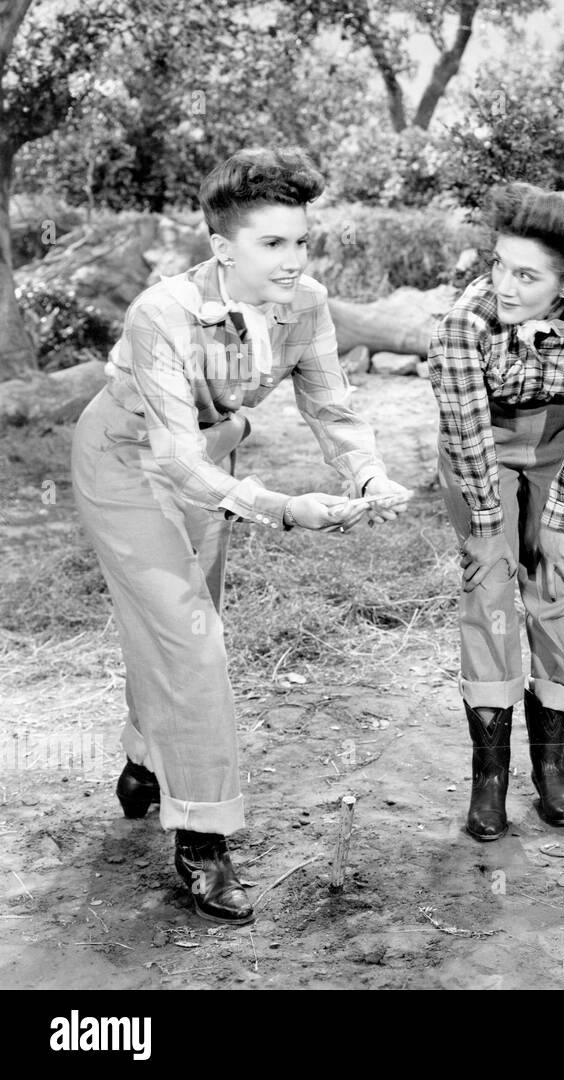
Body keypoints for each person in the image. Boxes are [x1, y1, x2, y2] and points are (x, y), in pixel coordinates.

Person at [71, 147, 411, 925]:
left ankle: (142, 762)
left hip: (208, 462)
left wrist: (367, 478)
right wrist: (286, 508)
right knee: (192, 640)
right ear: (224, 248)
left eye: (301, 241)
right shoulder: (162, 312)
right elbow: (175, 459)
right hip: (128, 466)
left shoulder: (309, 303)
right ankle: (202, 840)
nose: (294, 260)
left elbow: (333, 409)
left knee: (184, 622)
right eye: (273, 244)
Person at [429, 182, 564, 841]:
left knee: (555, 587)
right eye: (499, 266)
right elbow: (466, 433)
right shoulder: (467, 323)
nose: (506, 286)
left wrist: (556, 519)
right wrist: (494, 530)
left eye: (527, 275)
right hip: (481, 453)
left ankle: (552, 766)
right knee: (490, 590)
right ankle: (489, 777)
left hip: (560, 451)